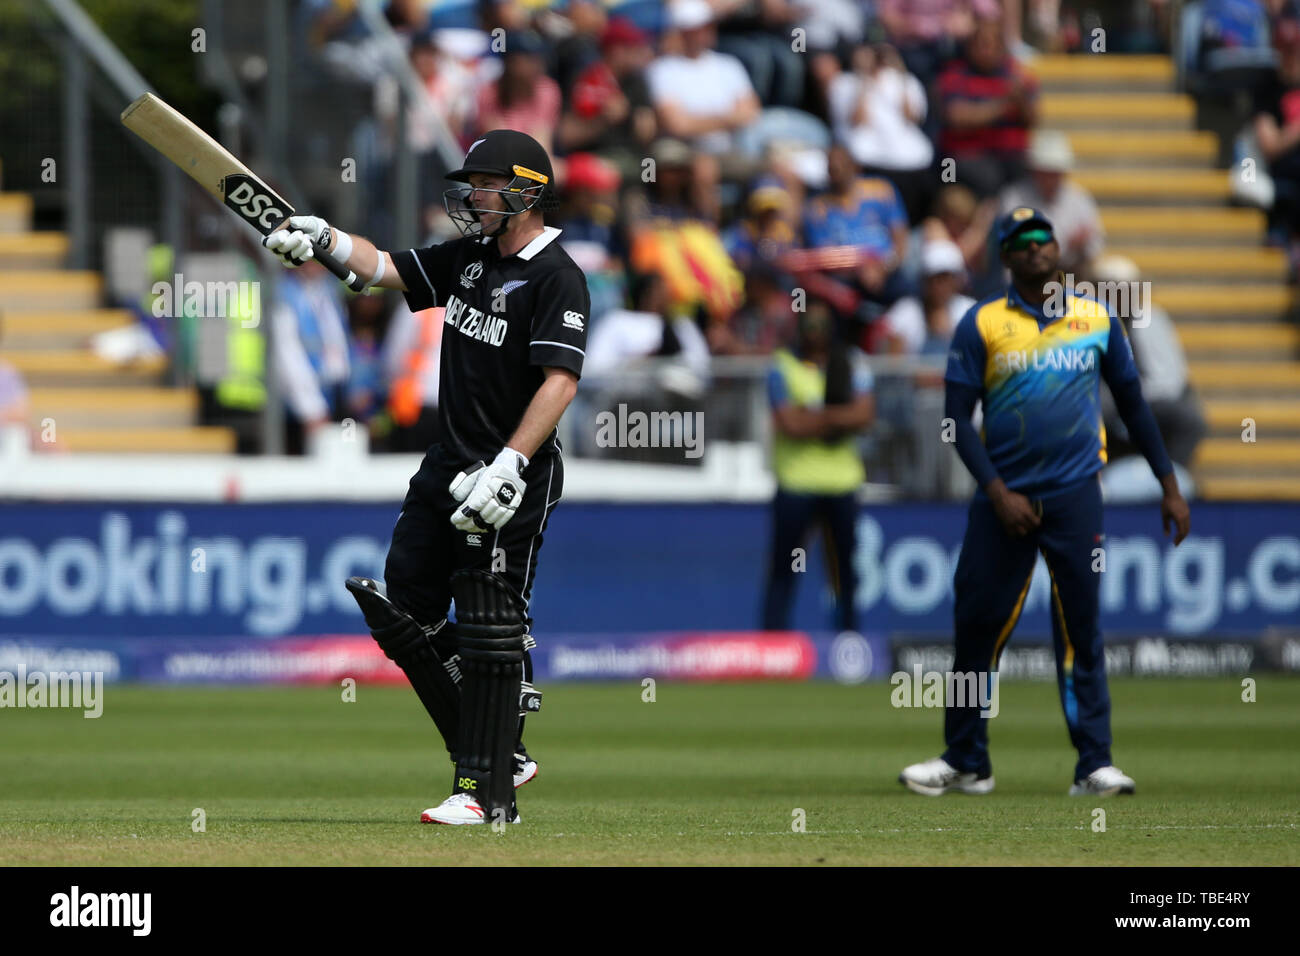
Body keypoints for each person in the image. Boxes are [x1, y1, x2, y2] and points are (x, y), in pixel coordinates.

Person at [264, 129, 590, 826]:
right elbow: (382, 267)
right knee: (407, 606)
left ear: (526, 191)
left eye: (485, 184)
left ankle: (482, 788)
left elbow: (560, 381)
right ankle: (505, 748)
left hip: (511, 472)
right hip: (447, 464)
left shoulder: (558, 275)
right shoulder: (469, 259)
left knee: (490, 623)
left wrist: (511, 465)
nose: (471, 197)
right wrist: (323, 239)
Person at [899, 207, 1191, 799]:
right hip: (1002, 499)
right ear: (1005, 256)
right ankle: (966, 761)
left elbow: (1134, 406)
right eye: (1022, 241)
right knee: (976, 627)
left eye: (1044, 237)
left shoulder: (1095, 317)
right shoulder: (980, 324)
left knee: (1081, 629)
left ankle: (1095, 765)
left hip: (1076, 494)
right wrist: (997, 491)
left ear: (1057, 248)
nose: (1036, 247)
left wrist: (1169, 483)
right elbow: (955, 422)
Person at [761, 300, 875, 632]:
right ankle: (774, 643)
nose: (815, 333)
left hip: (842, 483)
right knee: (785, 568)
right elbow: (789, 425)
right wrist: (839, 418)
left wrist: (813, 414)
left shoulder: (852, 362)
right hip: (797, 482)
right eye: (809, 325)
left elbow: (865, 415)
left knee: (844, 571)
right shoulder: (782, 365)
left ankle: (848, 641)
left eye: (821, 325)